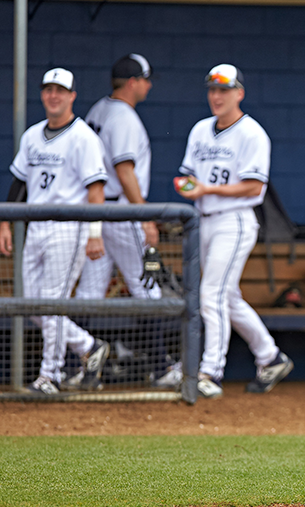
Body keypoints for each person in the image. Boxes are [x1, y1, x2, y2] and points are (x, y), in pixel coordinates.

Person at [175, 63, 293, 398]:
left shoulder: (252, 132)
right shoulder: (199, 130)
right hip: (204, 220)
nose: (217, 96)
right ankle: (270, 356)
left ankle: (211, 372)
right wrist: (188, 187)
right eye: (213, 90)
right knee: (227, 296)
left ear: (239, 93)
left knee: (210, 294)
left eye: (224, 90)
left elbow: (254, 188)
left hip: (235, 219)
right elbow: (188, 176)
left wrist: (204, 190)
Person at [0, 68, 111, 394]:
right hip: (36, 226)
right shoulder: (32, 135)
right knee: (31, 303)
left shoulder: (84, 137)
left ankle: (50, 375)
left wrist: (95, 233)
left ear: (72, 96)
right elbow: (19, 183)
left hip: (69, 227)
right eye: (49, 89)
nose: (54, 96)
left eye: (60, 90)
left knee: (51, 303)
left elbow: (96, 190)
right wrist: (5, 222)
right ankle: (89, 347)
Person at [74, 54, 171, 389]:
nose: (148, 85)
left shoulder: (98, 109)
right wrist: (143, 214)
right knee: (149, 289)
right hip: (121, 211)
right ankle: (159, 368)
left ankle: (79, 366)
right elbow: (124, 170)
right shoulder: (124, 117)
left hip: (98, 214)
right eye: (145, 80)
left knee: (89, 293)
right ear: (133, 83)